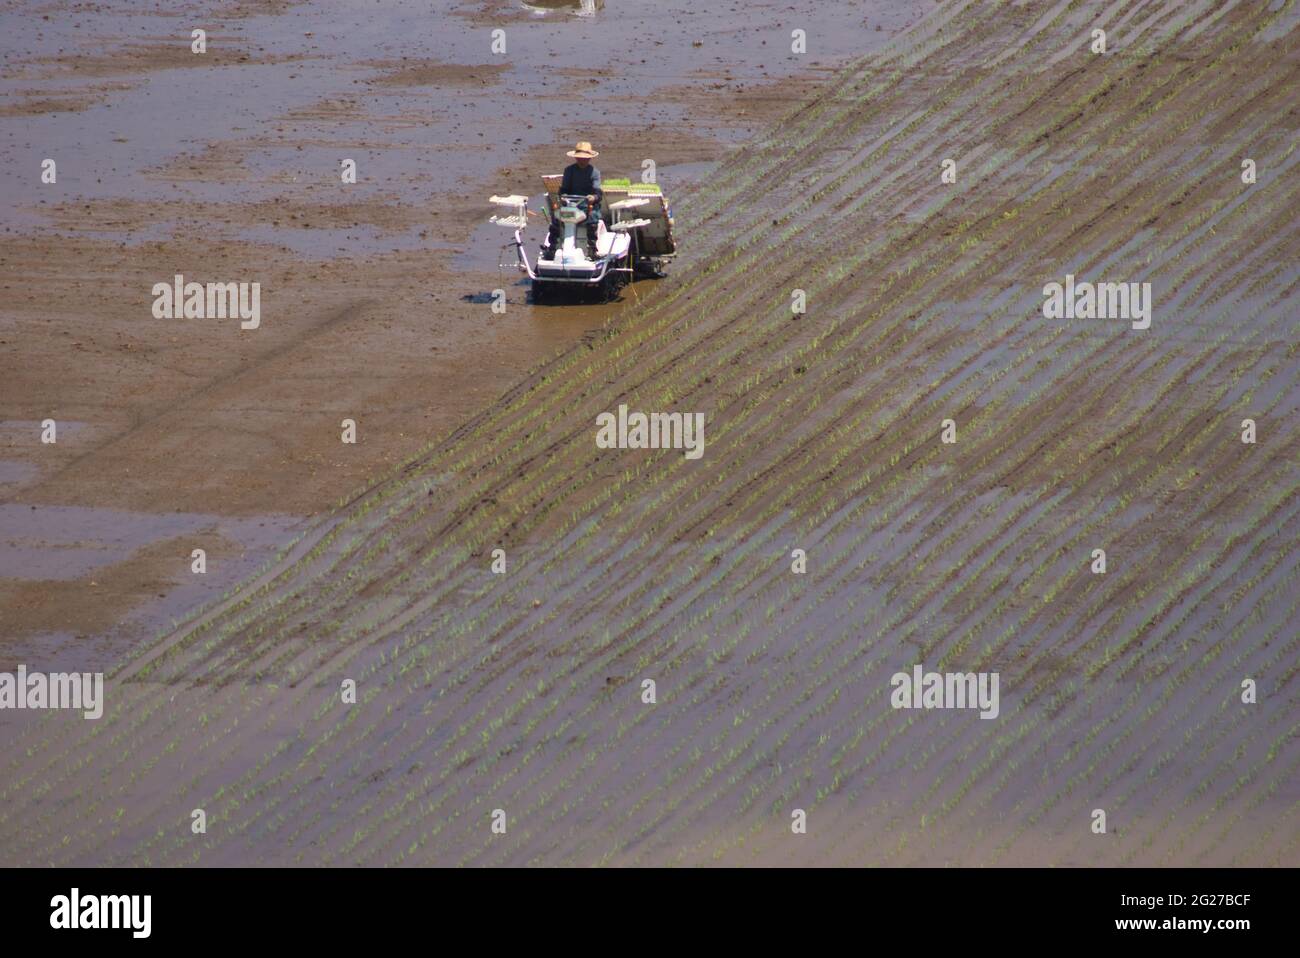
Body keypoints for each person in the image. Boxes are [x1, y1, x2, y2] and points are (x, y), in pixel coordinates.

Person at [542, 141, 603, 260]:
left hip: (586, 206)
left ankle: (591, 249)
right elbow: (564, 189)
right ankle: (553, 248)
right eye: (579, 158)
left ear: (589, 159)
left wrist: (593, 197)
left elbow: (597, 192)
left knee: (593, 219)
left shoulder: (594, 172)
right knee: (556, 219)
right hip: (570, 205)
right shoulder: (569, 170)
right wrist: (564, 197)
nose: (582, 160)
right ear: (576, 157)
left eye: (584, 158)